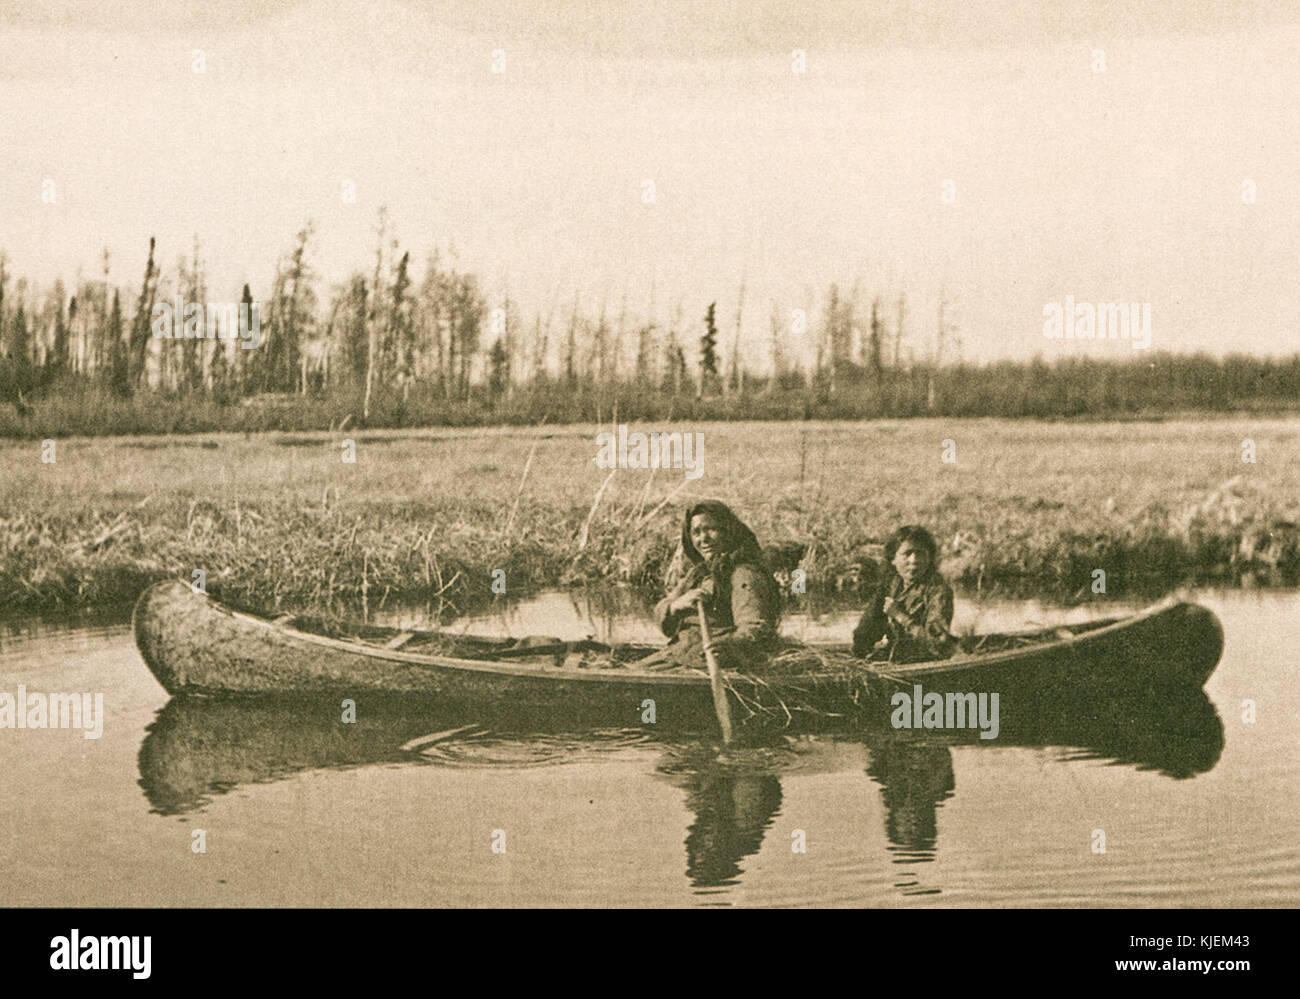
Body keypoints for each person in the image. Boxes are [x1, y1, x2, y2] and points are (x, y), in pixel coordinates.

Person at [639, 501, 782, 671]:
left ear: (729, 531)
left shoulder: (743, 574)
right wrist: (675, 607)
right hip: (680, 654)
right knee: (631, 668)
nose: (704, 539)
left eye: (711, 529)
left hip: (710, 663)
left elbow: (755, 628)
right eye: (696, 532)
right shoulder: (698, 573)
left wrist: (727, 647)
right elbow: (664, 620)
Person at [852, 525, 956, 663]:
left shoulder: (938, 591)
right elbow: (866, 633)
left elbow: (938, 643)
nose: (914, 561)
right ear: (893, 559)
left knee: (916, 686)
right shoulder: (892, 584)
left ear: (929, 558)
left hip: (924, 669)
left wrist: (899, 616)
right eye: (907, 554)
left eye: (920, 553)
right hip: (896, 659)